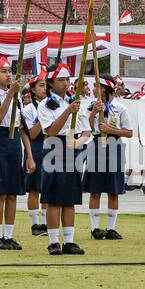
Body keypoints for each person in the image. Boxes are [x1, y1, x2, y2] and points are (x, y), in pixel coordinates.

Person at [36, 64, 89, 255]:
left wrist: (78, 142)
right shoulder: (45, 104)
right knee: (53, 198)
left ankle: (69, 240)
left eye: (67, 79)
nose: (66, 83)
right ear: (50, 83)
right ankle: (53, 241)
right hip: (53, 147)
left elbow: (86, 131)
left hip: (71, 148)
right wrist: (68, 112)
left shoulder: (74, 101)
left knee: (70, 197)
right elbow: (50, 130)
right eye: (61, 80)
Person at [0, 61, 32, 250]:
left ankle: (9, 235)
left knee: (12, 193)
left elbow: (22, 127)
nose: (8, 75)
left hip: (14, 142)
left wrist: (29, 155)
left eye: (10, 71)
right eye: (3, 71)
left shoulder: (16, 97)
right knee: (0, 192)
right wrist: (10, 94)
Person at [84, 75, 132, 242]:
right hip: (97, 144)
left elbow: (129, 132)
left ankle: (111, 228)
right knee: (95, 189)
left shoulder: (120, 108)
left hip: (114, 145)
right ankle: (95, 227)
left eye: (97, 86)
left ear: (105, 89)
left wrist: (112, 130)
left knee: (113, 190)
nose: (94, 89)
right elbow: (87, 128)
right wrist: (94, 114)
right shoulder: (92, 106)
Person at [22, 72, 49, 234]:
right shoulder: (29, 109)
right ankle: (35, 223)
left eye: (46, 85)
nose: (45, 88)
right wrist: (44, 117)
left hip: (50, 146)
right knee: (34, 188)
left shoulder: (51, 104)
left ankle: (46, 222)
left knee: (47, 187)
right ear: (32, 89)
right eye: (41, 85)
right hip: (35, 146)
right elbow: (31, 133)